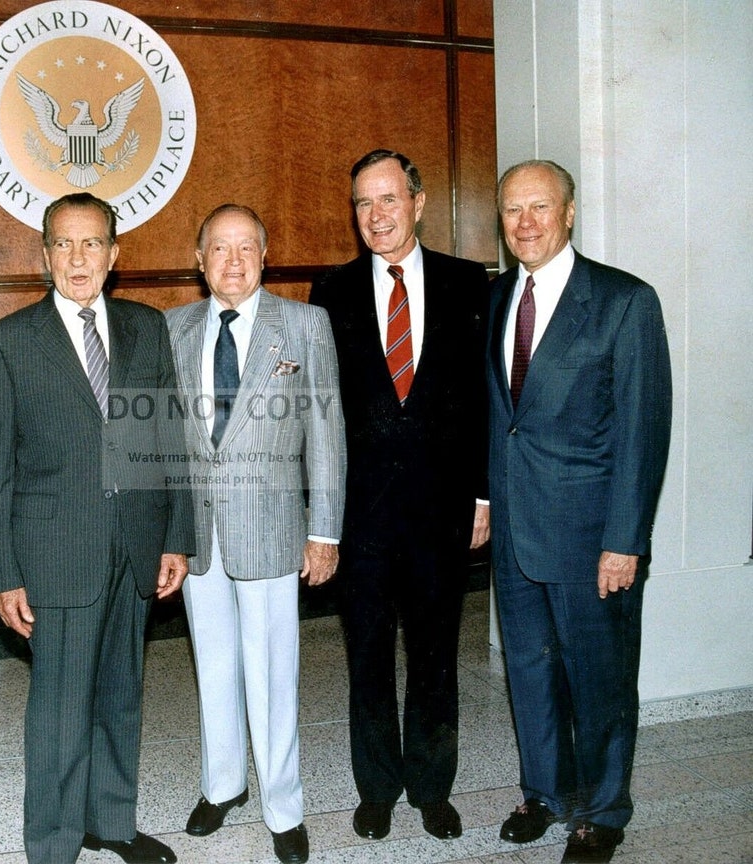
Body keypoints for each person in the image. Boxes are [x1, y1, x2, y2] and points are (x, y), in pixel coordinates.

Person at [0, 192, 195, 864]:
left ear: (114, 255)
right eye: (64, 244)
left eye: (92, 243)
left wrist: (176, 537)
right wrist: (4, 572)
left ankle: (112, 824)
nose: (78, 257)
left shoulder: (144, 328)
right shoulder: (11, 341)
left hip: (134, 548)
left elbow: (167, 441)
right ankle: (52, 844)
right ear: (44, 256)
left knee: (120, 700)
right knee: (59, 714)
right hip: (54, 555)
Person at [488, 160, 671, 863]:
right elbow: (504, 419)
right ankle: (544, 794)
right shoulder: (501, 296)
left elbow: (642, 432)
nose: (525, 222)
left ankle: (601, 812)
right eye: (512, 210)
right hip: (514, 529)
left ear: (570, 213)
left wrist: (625, 540)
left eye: (540, 207)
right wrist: (485, 502)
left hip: (593, 537)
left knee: (599, 678)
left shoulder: (625, 301)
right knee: (529, 671)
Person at [310, 150, 490, 842]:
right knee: (368, 657)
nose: (375, 215)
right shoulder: (330, 293)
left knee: (438, 653)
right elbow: (321, 413)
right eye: (362, 203)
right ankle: (377, 786)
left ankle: (432, 785)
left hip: (443, 512)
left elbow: (483, 403)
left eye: (388, 199)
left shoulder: (470, 284)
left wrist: (481, 498)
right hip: (362, 516)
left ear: (417, 201)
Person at [165, 204, 346, 864]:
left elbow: (327, 438)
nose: (233, 261)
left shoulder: (304, 325)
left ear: (265, 256)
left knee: (273, 671)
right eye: (219, 249)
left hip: (273, 530)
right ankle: (223, 785)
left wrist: (324, 530)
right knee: (211, 664)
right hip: (198, 534)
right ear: (199, 259)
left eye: (246, 248)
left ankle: (283, 804)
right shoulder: (173, 328)